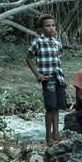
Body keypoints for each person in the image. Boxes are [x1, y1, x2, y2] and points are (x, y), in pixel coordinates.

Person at [27, 14, 67, 145]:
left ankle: (56, 134)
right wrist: (37, 74)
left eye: (53, 25)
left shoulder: (57, 42)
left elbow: (58, 60)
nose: (51, 28)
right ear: (41, 29)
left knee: (56, 107)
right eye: (48, 26)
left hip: (58, 78)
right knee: (50, 108)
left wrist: (63, 78)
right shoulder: (38, 41)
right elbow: (28, 59)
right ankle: (48, 137)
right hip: (47, 78)